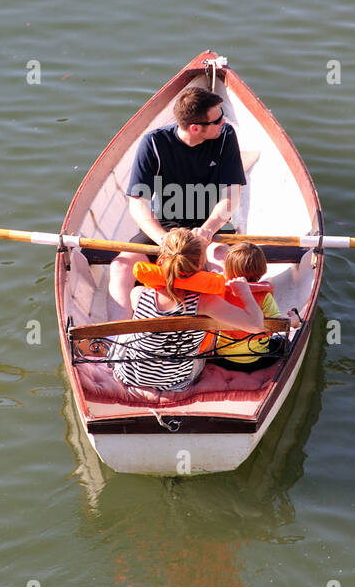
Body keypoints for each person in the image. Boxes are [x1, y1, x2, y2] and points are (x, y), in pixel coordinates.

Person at [109, 82, 246, 319]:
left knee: (223, 265)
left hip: (210, 227)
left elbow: (231, 196)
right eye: (217, 120)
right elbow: (137, 203)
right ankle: (114, 337)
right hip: (165, 229)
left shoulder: (225, 137)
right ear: (194, 128)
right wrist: (163, 239)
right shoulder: (153, 143)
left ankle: (215, 336)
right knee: (120, 266)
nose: (224, 121)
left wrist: (207, 230)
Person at [112, 229, 265, 392]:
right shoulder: (206, 302)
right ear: (201, 264)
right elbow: (256, 325)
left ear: (161, 259)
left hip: (129, 376)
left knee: (129, 336)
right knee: (209, 335)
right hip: (175, 382)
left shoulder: (139, 294)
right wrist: (244, 293)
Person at [208, 242, 301, 372]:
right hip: (257, 360)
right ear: (261, 270)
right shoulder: (264, 296)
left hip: (222, 359)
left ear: (227, 269)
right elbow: (279, 324)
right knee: (281, 341)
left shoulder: (218, 293)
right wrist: (295, 320)